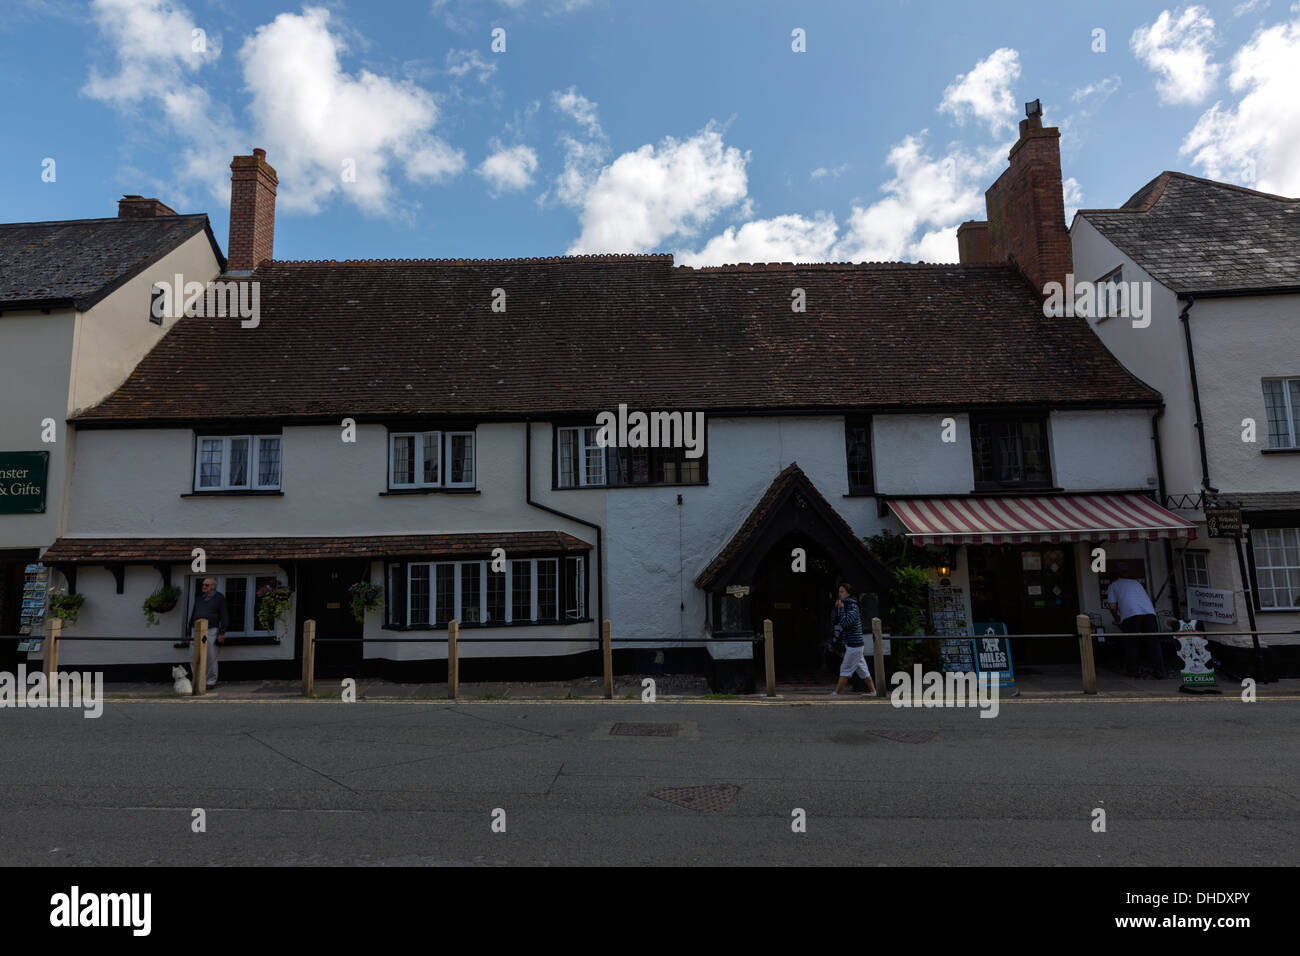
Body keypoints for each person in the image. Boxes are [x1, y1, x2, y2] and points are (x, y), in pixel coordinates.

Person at [1106, 568, 1167, 679]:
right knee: (1153, 643)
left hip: (1131, 615)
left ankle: (1133, 671)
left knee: (1131, 643)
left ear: (1112, 579)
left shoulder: (1113, 586)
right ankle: (1160, 671)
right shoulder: (1135, 583)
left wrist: (1117, 618)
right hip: (1150, 613)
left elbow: (1112, 606)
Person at [830, 583, 876, 696]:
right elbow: (834, 621)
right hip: (852, 644)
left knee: (845, 669)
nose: (839, 594)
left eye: (842, 592)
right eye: (839, 592)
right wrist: (836, 609)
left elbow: (845, 623)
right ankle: (874, 692)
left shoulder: (853, 607)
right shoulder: (843, 605)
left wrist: (840, 609)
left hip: (854, 644)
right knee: (863, 670)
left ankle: (836, 693)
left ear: (848, 593)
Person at [187, 577, 228, 688]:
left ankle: (210, 681)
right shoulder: (199, 598)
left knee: (210, 655)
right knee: (193, 655)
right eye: (203, 585)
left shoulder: (219, 598)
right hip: (195, 629)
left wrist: (222, 632)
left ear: (213, 586)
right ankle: (197, 679)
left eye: (206, 585)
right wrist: (188, 631)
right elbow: (193, 613)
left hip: (211, 629)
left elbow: (224, 616)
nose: (203, 587)